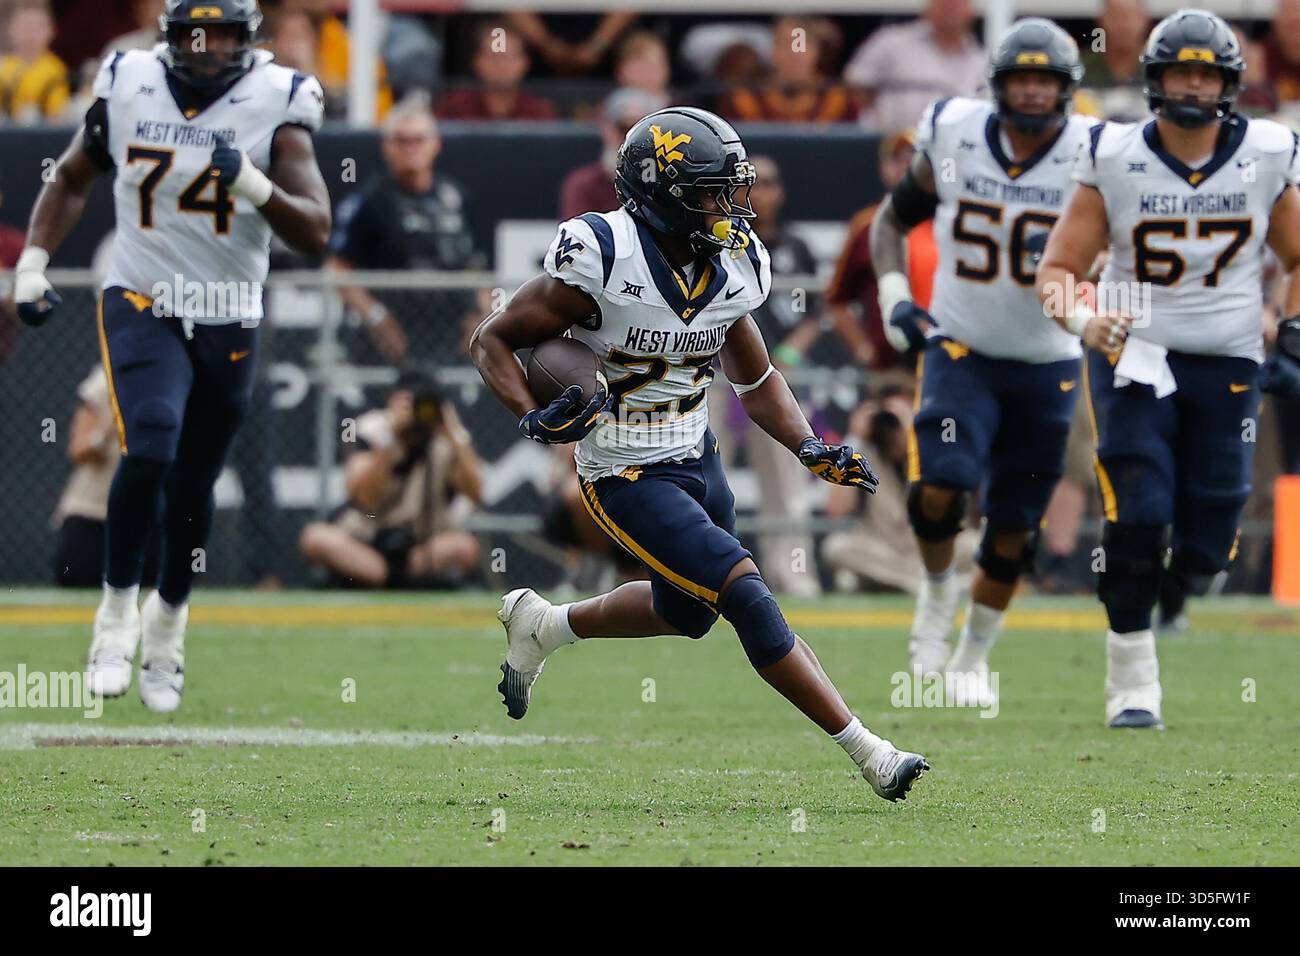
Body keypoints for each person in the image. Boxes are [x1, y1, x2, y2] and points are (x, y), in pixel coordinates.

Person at [469, 106, 928, 803]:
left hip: (696, 455)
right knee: (747, 593)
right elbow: (493, 340)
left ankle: (544, 624)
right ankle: (872, 752)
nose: (730, 206)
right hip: (622, 469)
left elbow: (758, 379)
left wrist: (809, 446)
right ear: (663, 192)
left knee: (688, 614)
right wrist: (532, 416)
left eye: (730, 189)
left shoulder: (732, 263)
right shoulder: (602, 254)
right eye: (713, 192)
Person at [14, 0, 330, 711]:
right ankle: (116, 615)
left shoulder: (277, 99)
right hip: (141, 297)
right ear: (171, 35)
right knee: (149, 443)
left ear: (248, 39)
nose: (209, 45)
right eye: (197, 30)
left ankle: (168, 625)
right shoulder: (128, 82)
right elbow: (69, 176)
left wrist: (253, 184)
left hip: (228, 313)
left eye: (224, 32)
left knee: (194, 483)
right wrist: (33, 261)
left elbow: (314, 230)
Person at [1037, 9, 1300, 728]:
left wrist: (1294, 327)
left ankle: (1179, 592)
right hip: (1133, 354)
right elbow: (1057, 268)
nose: (1192, 82)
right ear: (1155, 79)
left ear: (1228, 82)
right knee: (1138, 514)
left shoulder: (1269, 152)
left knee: (1211, 538)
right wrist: (1087, 320)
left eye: (1206, 71)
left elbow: (1298, 257)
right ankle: (1131, 678)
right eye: (1180, 69)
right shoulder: (1115, 153)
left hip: (1228, 356)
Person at [869, 19, 1097, 705]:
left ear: (1066, 89)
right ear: (996, 85)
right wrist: (893, 296)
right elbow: (891, 220)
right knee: (939, 483)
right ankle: (937, 589)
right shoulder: (954, 131)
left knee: (1012, 530)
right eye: (1021, 78)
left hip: (1048, 362)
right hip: (960, 348)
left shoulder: (1096, 151)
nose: (1032, 92)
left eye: (1045, 80)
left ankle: (972, 658)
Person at [327, 98, 484, 363]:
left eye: (419, 140)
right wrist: (376, 316)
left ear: (436, 144)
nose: (411, 148)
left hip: (450, 334)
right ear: (386, 146)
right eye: (401, 141)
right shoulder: (368, 202)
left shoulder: (455, 197)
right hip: (389, 336)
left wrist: (482, 315)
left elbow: (478, 265)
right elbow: (338, 270)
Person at [299, 369, 483, 588]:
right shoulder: (371, 429)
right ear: (391, 400)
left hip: (422, 544)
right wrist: (390, 441)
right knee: (316, 538)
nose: (415, 411)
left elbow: (476, 493)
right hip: (367, 538)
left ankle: (378, 577)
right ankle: (394, 578)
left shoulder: (448, 437)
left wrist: (453, 433)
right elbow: (365, 498)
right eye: (409, 403)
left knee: (464, 546)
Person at [825, 130, 936, 371]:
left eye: (916, 158)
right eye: (900, 159)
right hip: (889, 365)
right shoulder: (866, 225)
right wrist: (864, 351)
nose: (908, 166)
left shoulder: (949, 221)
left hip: (946, 356)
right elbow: (837, 299)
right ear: (885, 168)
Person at [51, 366, 160, 588]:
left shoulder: (174, 377)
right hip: (95, 513)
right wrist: (109, 427)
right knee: (78, 575)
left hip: (149, 515)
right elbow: (79, 449)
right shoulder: (106, 381)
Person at [843, 0, 985, 134]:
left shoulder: (981, 61)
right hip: (891, 147)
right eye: (943, 2)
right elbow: (855, 83)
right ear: (928, 7)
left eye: (958, 2)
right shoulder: (891, 42)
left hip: (953, 153)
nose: (950, 7)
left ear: (970, 11)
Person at [721, 16, 855, 124]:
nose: (794, 54)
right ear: (773, 51)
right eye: (786, 44)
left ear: (817, 51)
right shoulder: (744, 101)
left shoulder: (840, 102)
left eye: (802, 45)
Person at [559, 87, 667, 221]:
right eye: (623, 128)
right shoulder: (584, 185)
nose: (631, 139)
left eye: (641, 130)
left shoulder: (666, 185)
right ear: (606, 129)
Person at [436, 19, 557, 121]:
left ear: (525, 62)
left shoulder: (540, 112)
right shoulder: (455, 108)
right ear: (477, 62)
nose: (500, 65)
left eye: (507, 57)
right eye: (493, 57)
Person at [0, 2, 70, 123]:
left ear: (51, 31)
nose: (30, 35)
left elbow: (57, 115)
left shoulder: (55, 70)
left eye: (37, 28)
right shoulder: (4, 67)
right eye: (24, 27)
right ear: (10, 30)